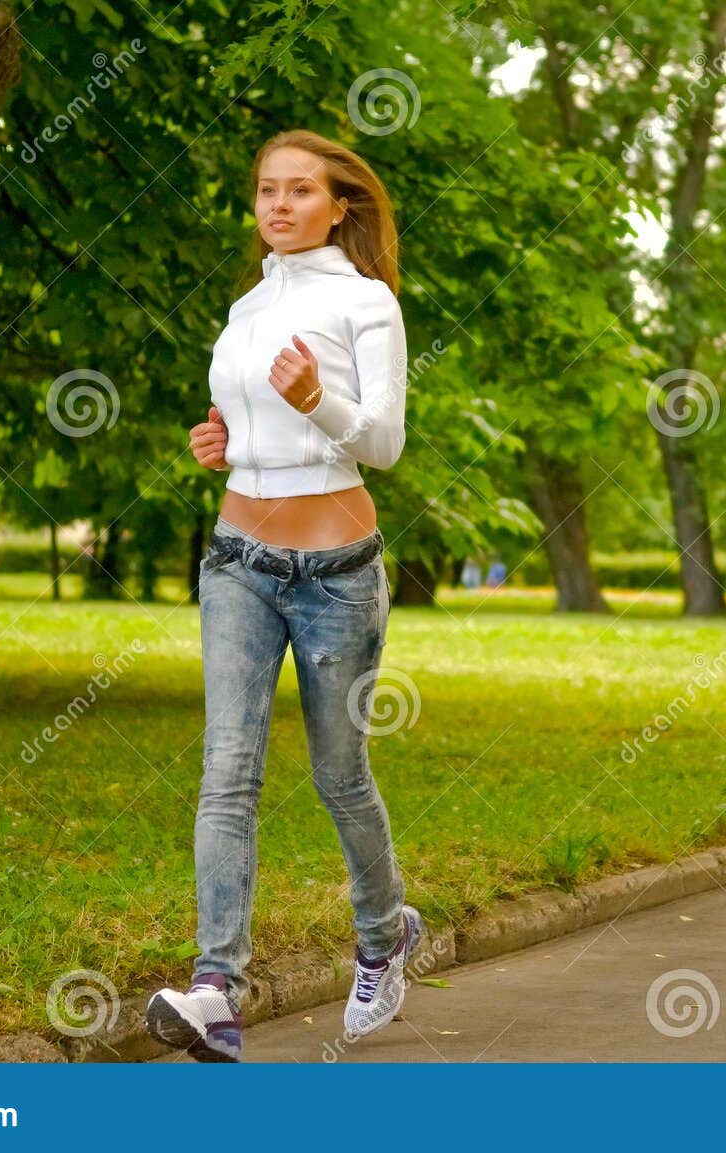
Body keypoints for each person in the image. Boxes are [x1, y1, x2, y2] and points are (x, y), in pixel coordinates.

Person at [144, 129, 422, 1063]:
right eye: (267, 189)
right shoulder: (247, 306)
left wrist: (314, 403)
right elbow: (250, 423)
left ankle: (383, 935)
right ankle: (215, 990)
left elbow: (382, 442)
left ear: (340, 207)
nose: (279, 205)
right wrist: (225, 445)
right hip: (238, 562)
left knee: (340, 774)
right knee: (227, 771)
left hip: (336, 573)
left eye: (301, 190)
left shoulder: (367, 302)